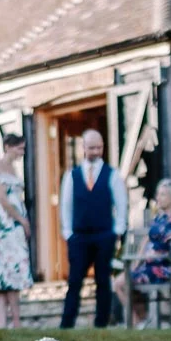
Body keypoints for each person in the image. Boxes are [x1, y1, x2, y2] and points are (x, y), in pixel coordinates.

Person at [59, 128, 126, 329]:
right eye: (91, 148)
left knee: (103, 281)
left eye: (99, 147)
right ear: (83, 148)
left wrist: (118, 230)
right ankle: (67, 323)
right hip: (79, 236)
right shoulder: (71, 176)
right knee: (75, 281)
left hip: (104, 234)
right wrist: (68, 233)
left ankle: (102, 323)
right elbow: (66, 205)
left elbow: (121, 203)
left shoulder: (112, 175)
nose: (95, 151)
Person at [124, 178, 171, 327]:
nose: (158, 198)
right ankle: (141, 319)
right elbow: (146, 239)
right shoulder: (160, 217)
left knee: (122, 282)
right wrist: (136, 262)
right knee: (119, 282)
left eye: (163, 195)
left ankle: (139, 322)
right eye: (158, 194)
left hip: (165, 267)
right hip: (149, 266)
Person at [0, 133, 33, 328]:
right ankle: (12, 321)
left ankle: (6, 321)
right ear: (7, 147)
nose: (21, 152)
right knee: (6, 270)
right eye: (19, 148)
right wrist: (21, 220)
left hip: (15, 225)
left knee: (14, 269)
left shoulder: (14, 169)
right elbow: (3, 199)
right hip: (5, 225)